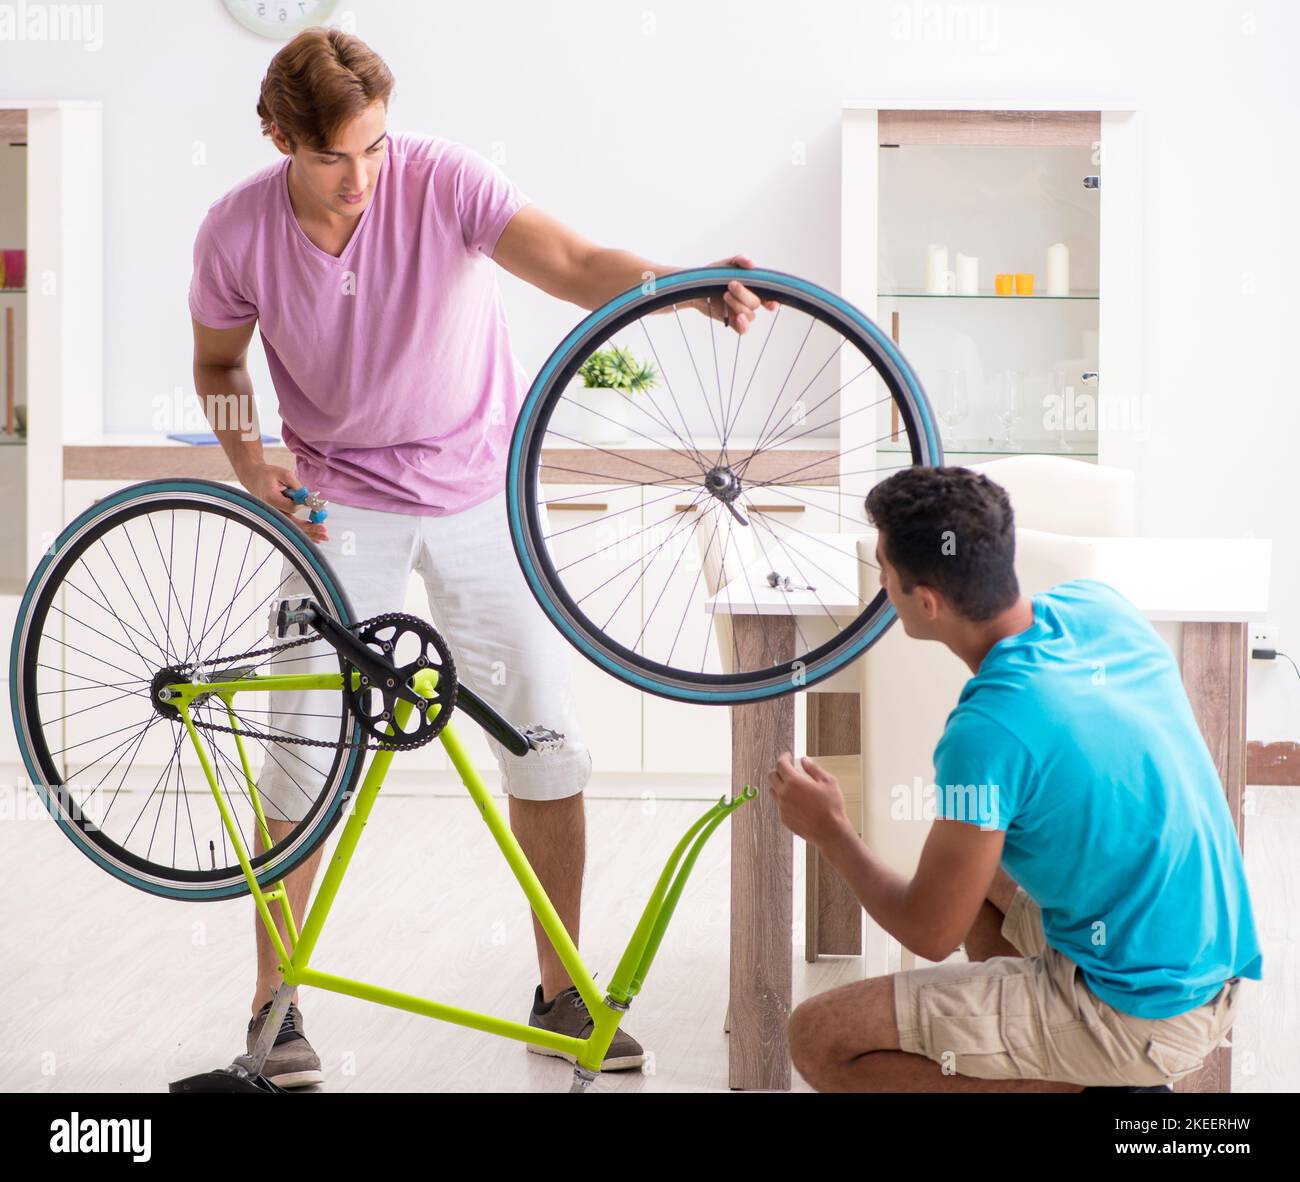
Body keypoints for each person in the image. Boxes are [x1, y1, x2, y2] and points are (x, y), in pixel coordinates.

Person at [188, 27, 776, 1088]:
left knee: (545, 740)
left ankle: (559, 992)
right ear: (280, 138)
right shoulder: (234, 230)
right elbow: (218, 362)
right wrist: (251, 461)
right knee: (301, 753)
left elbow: (572, 263)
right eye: (332, 158)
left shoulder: (445, 178)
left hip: (475, 490)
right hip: (336, 506)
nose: (361, 178)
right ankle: (273, 1011)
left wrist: (676, 283)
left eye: (373, 148)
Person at [766, 466, 1262, 1092]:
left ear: (927, 602)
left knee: (818, 1036)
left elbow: (930, 931)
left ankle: (1099, 1079)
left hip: (1143, 1011)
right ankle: (1066, 1060)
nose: (881, 582)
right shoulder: (1099, 607)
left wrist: (830, 830)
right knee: (973, 875)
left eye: (886, 571)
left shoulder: (987, 730)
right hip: (1204, 963)